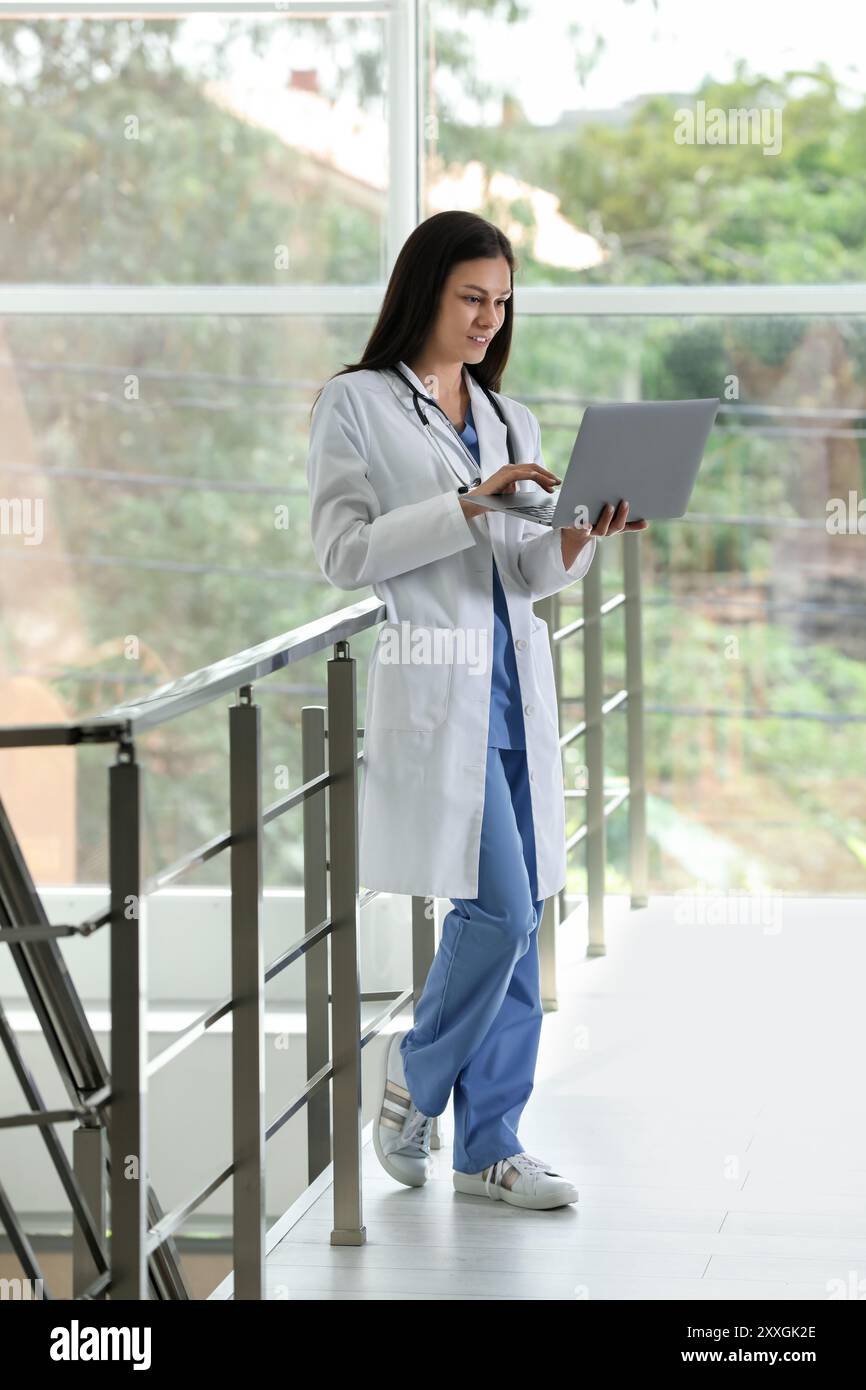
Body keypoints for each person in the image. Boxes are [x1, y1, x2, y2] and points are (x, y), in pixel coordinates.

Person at [306, 210, 647, 1211]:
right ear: (424, 291)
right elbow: (342, 553)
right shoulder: (355, 404)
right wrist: (462, 504)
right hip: (433, 681)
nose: (487, 320)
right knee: (495, 910)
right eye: (470, 298)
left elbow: (527, 573)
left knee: (521, 908)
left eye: (500, 303)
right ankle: (413, 1076)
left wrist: (579, 533)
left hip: (511, 686)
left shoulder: (508, 418)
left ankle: (489, 1145)